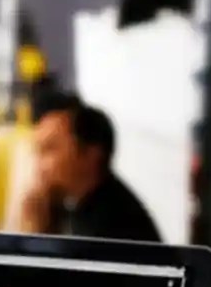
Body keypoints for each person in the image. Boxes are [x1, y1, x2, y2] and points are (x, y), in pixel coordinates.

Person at [20, 92, 161, 242]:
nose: (39, 165)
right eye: (38, 151)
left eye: (50, 149)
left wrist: (38, 236)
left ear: (91, 154)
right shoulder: (81, 207)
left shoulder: (112, 225)